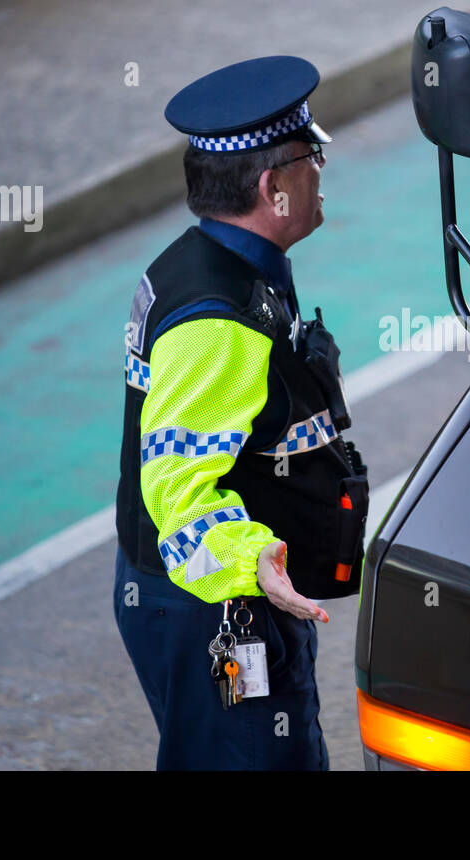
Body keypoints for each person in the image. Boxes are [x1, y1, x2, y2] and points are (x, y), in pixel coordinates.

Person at [112, 55, 369, 770]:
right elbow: (178, 490)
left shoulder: (213, 263)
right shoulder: (216, 320)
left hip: (211, 593)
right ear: (272, 186)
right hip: (213, 601)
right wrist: (250, 558)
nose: (320, 166)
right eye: (310, 155)